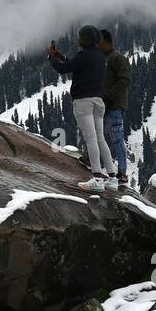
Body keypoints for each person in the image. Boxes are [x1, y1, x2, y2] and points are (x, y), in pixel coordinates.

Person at [48, 25, 115, 192]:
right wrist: (60, 56)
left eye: (80, 37)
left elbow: (63, 69)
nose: (78, 39)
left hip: (83, 102)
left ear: (84, 39)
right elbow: (74, 64)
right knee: (100, 139)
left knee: (91, 139)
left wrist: (51, 57)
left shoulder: (83, 55)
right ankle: (112, 178)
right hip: (99, 102)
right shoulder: (99, 56)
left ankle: (97, 178)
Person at [98, 29, 133, 189]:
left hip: (115, 106)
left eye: (98, 42)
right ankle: (98, 165)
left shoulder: (117, 58)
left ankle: (122, 174)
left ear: (105, 41)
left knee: (117, 139)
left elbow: (126, 79)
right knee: (99, 136)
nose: (97, 46)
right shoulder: (105, 58)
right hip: (104, 106)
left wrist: (109, 97)